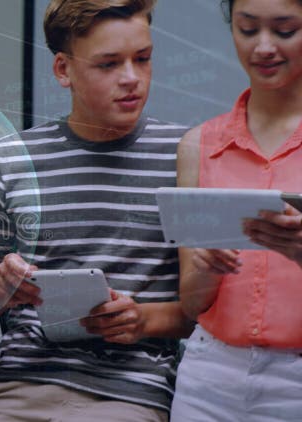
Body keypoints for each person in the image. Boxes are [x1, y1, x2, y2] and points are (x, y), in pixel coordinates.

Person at [0, 0, 195, 421]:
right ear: (63, 70)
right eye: (108, 65)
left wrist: (142, 321)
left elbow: (206, 310)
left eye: (143, 59)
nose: (131, 79)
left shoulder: (186, 158)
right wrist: (2, 291)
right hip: (21, 383)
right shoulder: (9, 162)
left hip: (132, 392)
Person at [170, 0, 302, 420]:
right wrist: (207, 268)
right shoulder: (198, 146)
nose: (264, 47)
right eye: (248, 29)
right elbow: (191, 305)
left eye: (285, 30)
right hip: (209, 376)